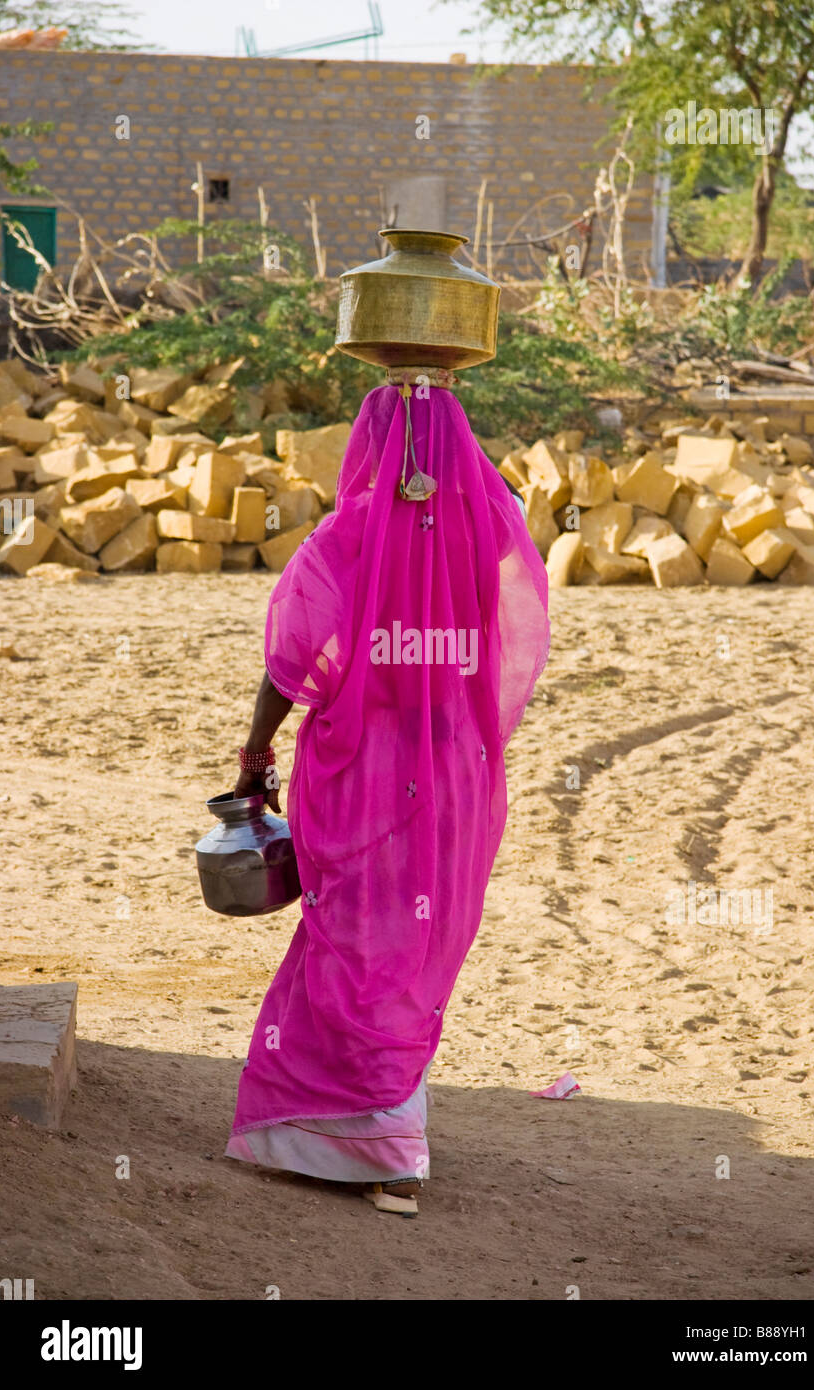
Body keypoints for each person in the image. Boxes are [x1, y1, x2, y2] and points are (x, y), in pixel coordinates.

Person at [227, 372, 549, 1216]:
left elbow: (288, 662)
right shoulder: (488, 531)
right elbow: (512, 620)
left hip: (359, 769)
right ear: (460, 445)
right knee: (415, 942)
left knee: (352, 934)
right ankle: (391, 1127)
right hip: (450, 774)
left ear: (367, 446)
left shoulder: (342, 539)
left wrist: (254, 755)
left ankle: (372, 1141)